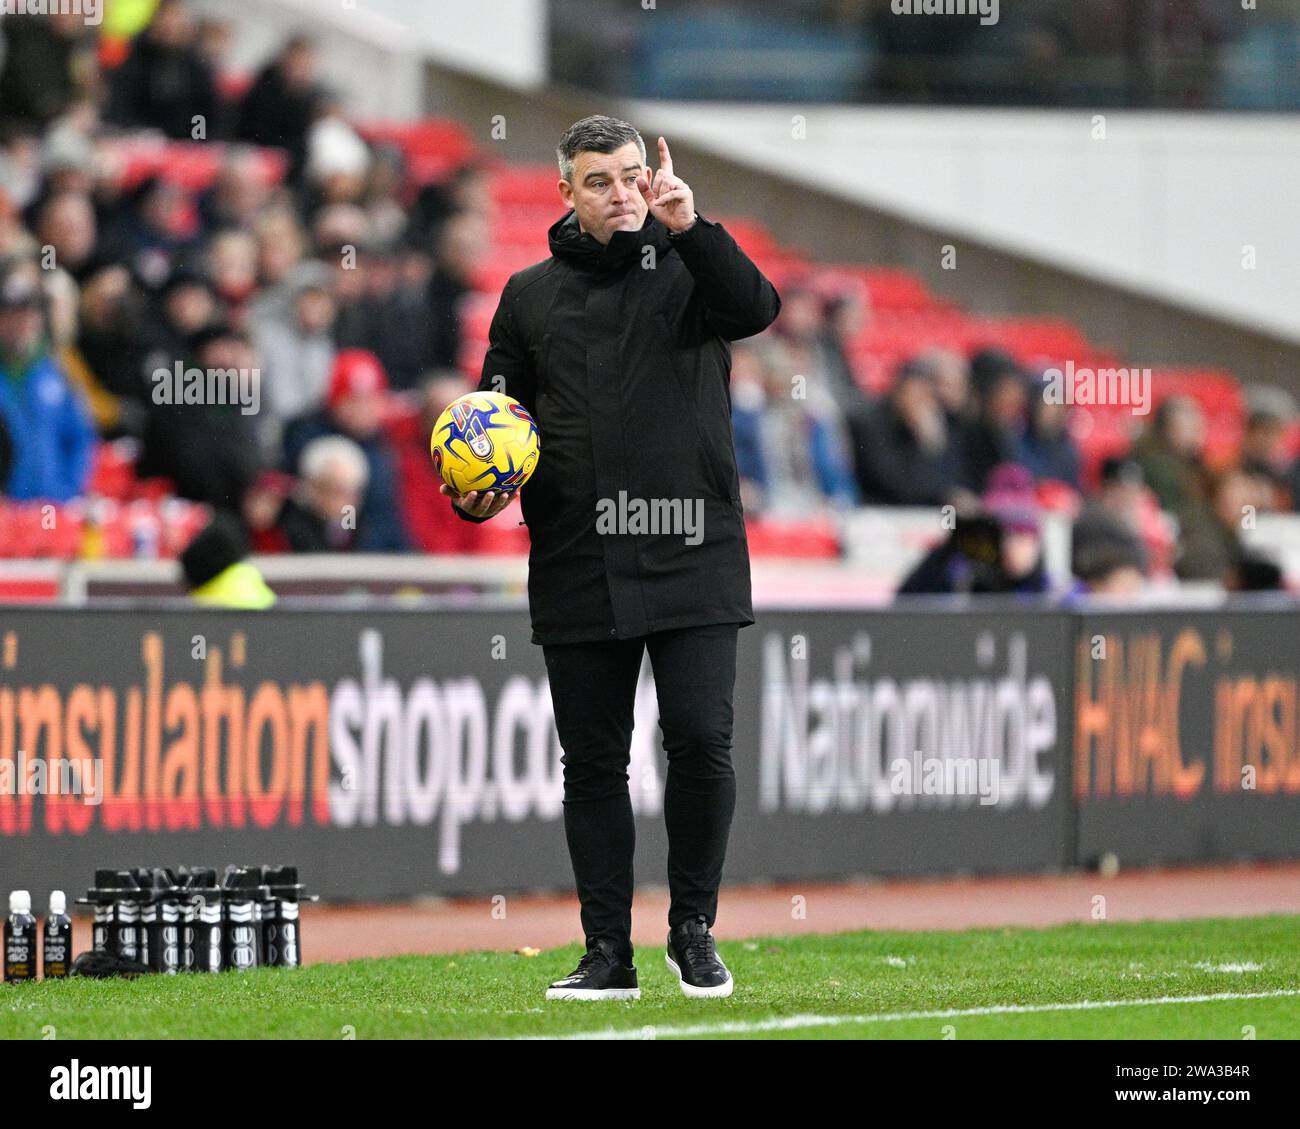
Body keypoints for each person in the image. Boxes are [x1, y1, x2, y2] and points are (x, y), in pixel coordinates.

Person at [448, 116, 780, 1001]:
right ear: (566, 193)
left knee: (703, 739)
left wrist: (691, 225)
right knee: (593, 763)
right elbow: (494, 427)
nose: (623, 192)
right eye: (600, 181)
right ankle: (607, 953)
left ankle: (693, 928)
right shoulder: (525, 297)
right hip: (577, 553)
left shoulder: (689, 266)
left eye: (633, 175)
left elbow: (758, 309)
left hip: (694, 548)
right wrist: (474, 491)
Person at [0, 261, 95, 501]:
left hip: (53, 505)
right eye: (12, 313)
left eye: (31, 313)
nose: (23, 323)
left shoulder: (60, 371)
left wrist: (69, 489)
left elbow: (80, 435)